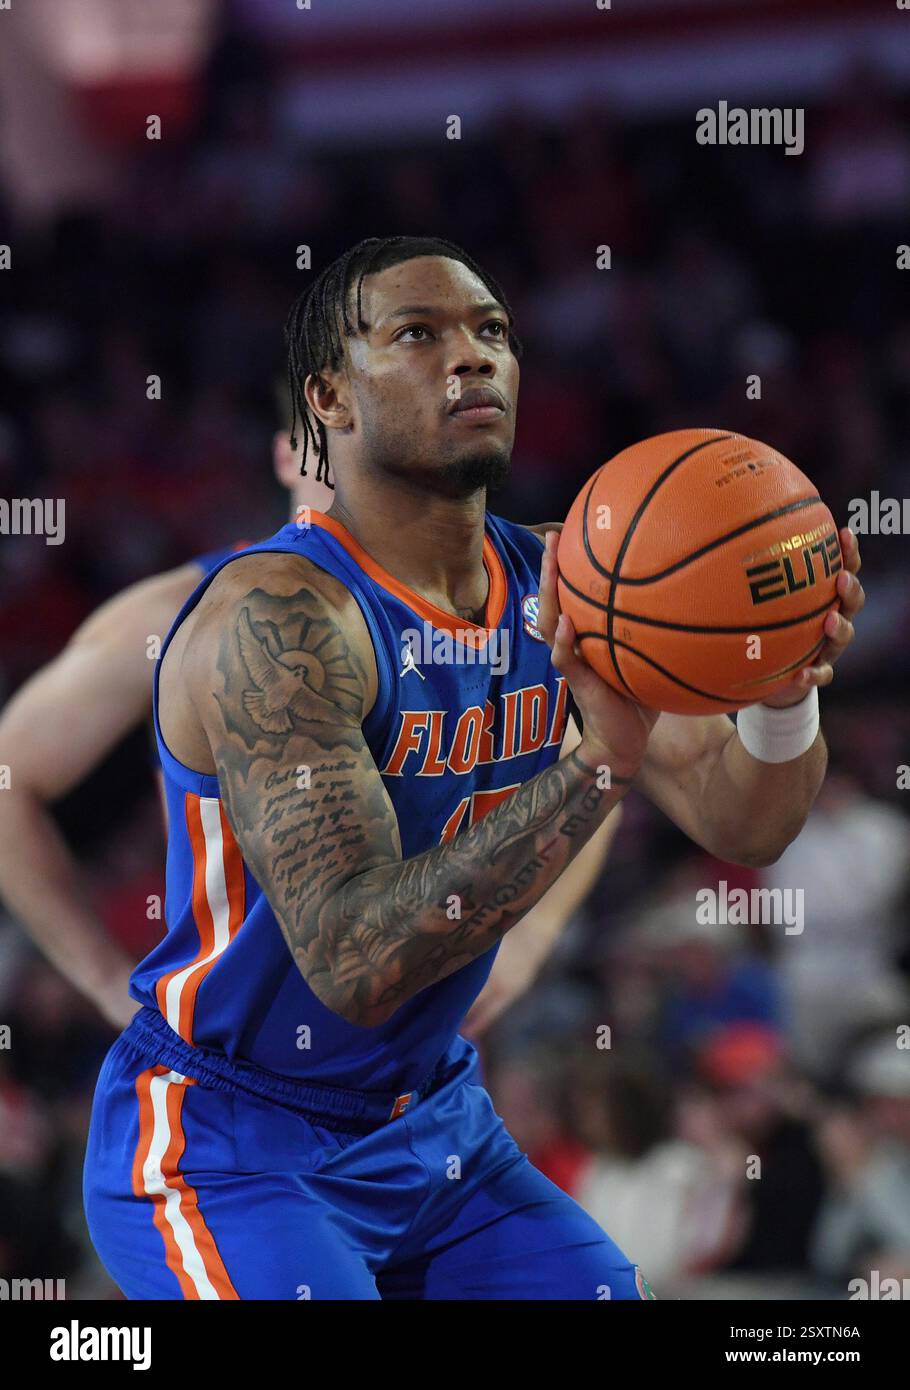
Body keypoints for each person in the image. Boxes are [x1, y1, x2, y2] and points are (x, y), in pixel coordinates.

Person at [83, 234, 864, 1300]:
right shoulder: (277, 621)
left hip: (434, 1126)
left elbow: (752, 825)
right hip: (226, 1140)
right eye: (418, 333)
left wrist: (781, 689)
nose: (472, 357)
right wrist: (595, 768)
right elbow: (357, 964)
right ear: (330, 397)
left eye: (491, 331)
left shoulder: (580, 589)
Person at [0, 422, 606, 1036]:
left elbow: (599, 762)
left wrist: (531, 942)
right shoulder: (172, 615)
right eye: (333, 438)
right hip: (244, 1051)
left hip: (422, 1033)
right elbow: (8, 779)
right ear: (286, 454)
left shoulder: (486, 602)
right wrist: (106, 982)